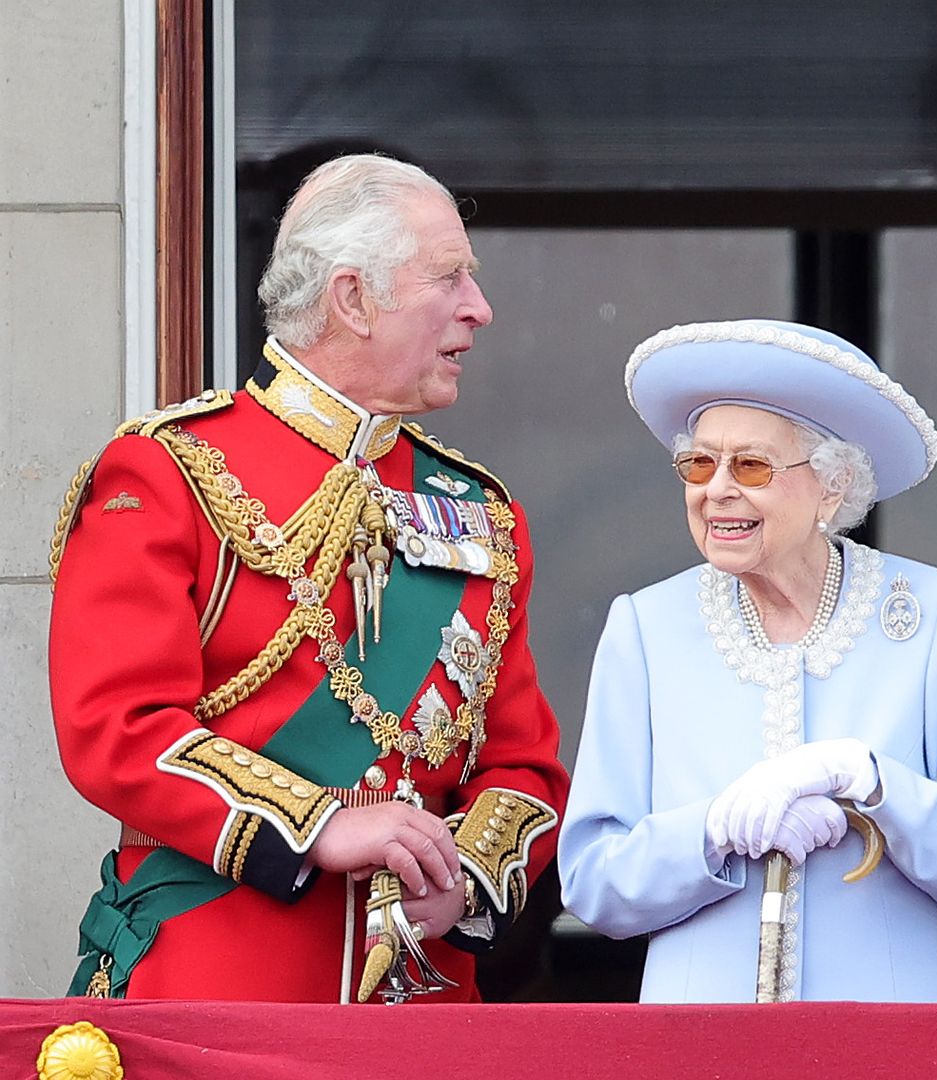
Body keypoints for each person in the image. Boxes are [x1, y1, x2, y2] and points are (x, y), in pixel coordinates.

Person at [46, 154, 570, 1002]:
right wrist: (320, 826)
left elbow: (525, 768)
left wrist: (460, 881)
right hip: (216, 992)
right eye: (449, 277)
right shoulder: (172, 472)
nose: (480, 308)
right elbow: (117, 726)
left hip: (422, 1012)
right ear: (352, 298)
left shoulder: (481, 510)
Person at [557, 319, 937, 1002]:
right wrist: (711, 830)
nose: (716, 489)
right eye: (699, 464)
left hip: (889, 1047)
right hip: (698, 1049)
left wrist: (871, 781)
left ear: (832, 487)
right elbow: (595, 885)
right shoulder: (646, 627)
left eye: (750, 466)